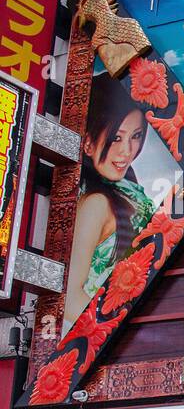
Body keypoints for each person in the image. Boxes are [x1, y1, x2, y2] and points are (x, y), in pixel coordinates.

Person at [65, 73, 153, 328]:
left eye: (135, 136)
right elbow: (71, 298)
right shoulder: (96, 204)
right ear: (88, 143)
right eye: (116, 137)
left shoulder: (126, 188)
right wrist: (116, 329)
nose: (127, 151)